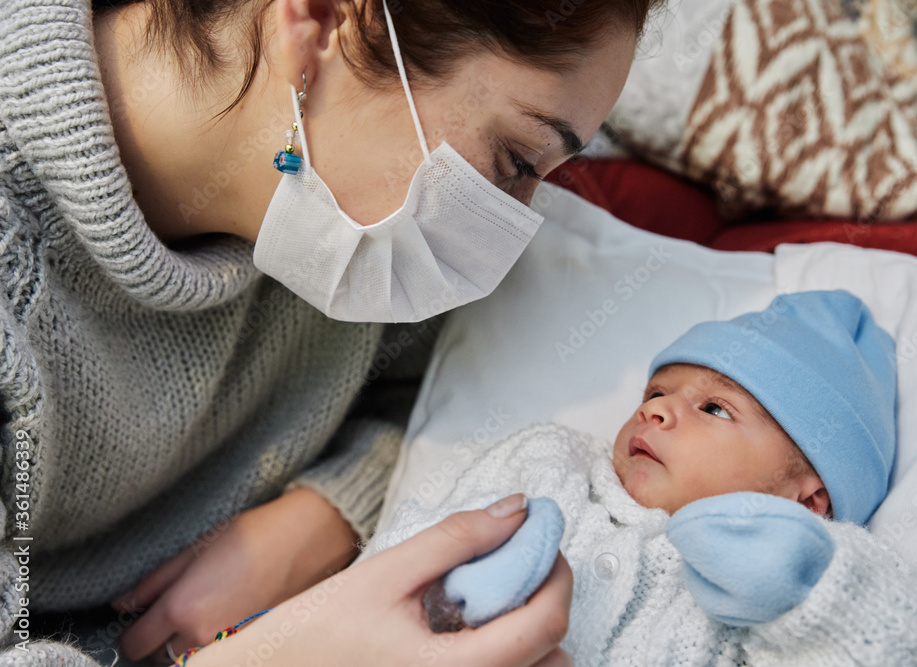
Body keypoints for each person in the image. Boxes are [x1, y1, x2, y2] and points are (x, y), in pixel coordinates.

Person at [0, 0, 660, 663]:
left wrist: (324, 513)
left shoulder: (341, 216)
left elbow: (430, 380)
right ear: (319, 22)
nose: (503, 237)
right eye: (516, 161)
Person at [368, 291, 917, 665]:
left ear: (808, 498)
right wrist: (459, 587)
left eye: (715, 409)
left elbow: (908, 652)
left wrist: (807, 593)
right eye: (658, 391)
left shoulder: (816, 575)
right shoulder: (551, 462)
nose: (655, 410)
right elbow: (400, 551)